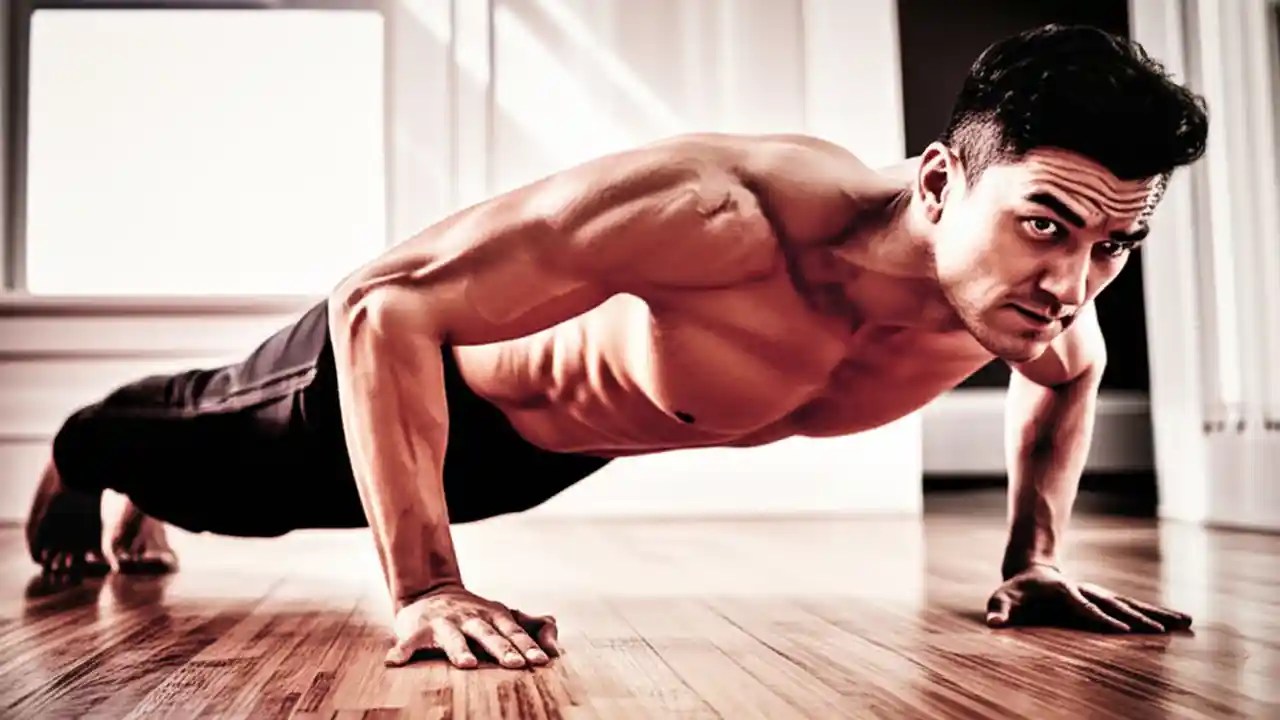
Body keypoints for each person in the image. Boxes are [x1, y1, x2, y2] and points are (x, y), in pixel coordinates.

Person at [26, 23, 1208, 670]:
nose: (1073, 281)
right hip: (396, 387)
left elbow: (1072, 373)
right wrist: (426, 587)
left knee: (239, 511)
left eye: (1116, 244)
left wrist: (1029, 558)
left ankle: (150, 494)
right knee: (205, 462)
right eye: (1046, 225)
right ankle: (88, 457)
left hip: (541, 457)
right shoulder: (717, 209)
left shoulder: (1027, 293)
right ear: (943, 181)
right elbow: (379, 302)